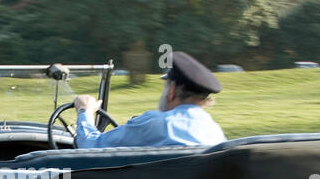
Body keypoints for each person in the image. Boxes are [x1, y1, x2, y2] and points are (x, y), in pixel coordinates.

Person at [73, 51, 227, 148]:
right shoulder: (215, 133)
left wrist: (85, 112)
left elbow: (91, 146)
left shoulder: (156, 124)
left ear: (172, 91)